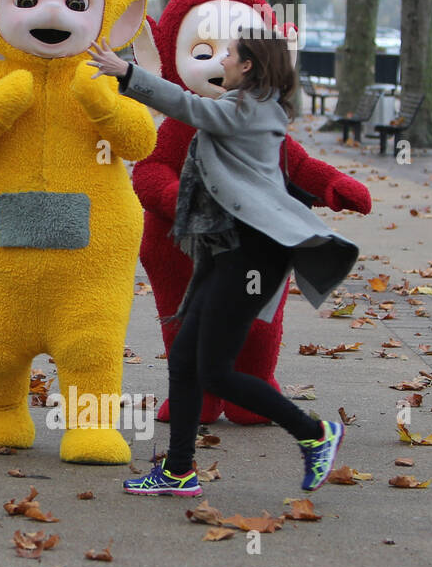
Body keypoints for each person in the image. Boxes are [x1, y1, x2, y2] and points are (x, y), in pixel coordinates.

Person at [85, 32, 358, 494]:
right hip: (228, 251)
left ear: (249, 65)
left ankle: (315, 434)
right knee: (186, 360)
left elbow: (189, 107)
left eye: (228, 54)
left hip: (252, 260)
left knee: (215, 370)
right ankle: (178, 470)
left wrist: (127, 73)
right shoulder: (249, 105)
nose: (221, 61)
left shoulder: (249, 111)